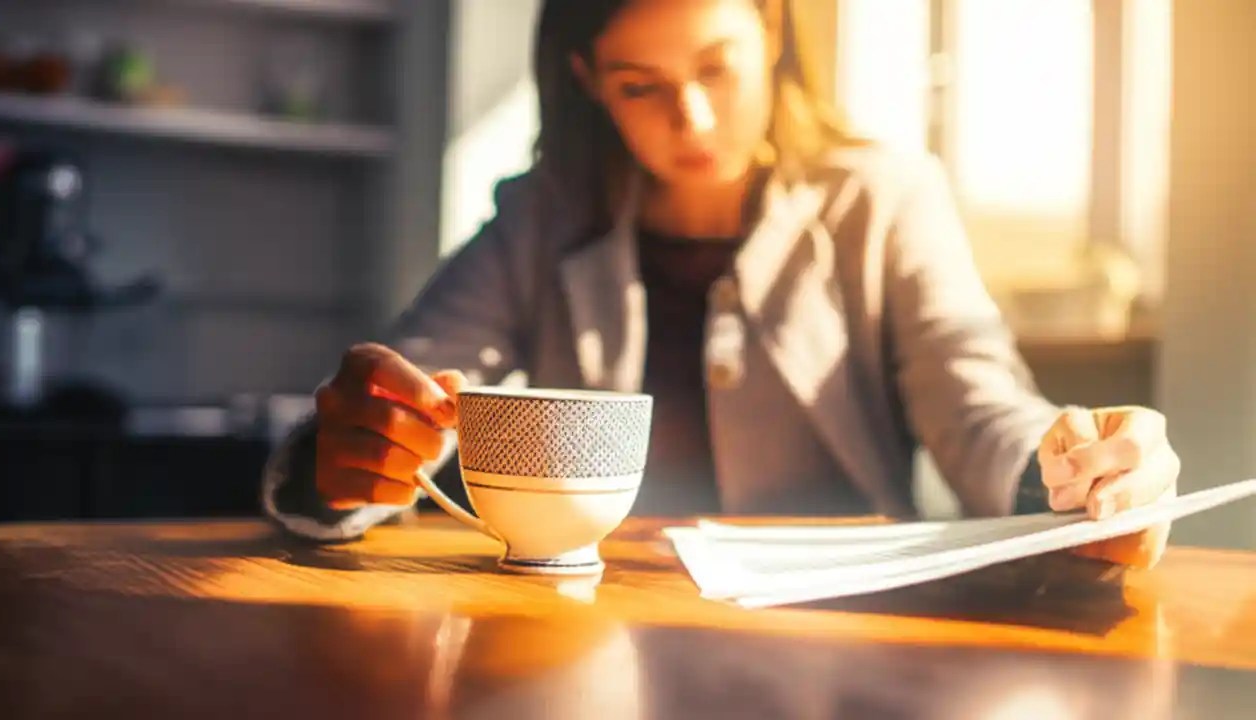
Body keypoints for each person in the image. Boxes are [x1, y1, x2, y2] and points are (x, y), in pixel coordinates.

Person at [262, 0, 1179, 567]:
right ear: (585, 80)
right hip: (586, 632)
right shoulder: (543, 215)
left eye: (715, 68)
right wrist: (341, 460)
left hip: (844, 642)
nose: (690, 119)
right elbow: (408, 386)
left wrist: (1072, 471)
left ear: (771, 29)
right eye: (639, 86)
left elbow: (977, 401)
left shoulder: (884, 199)